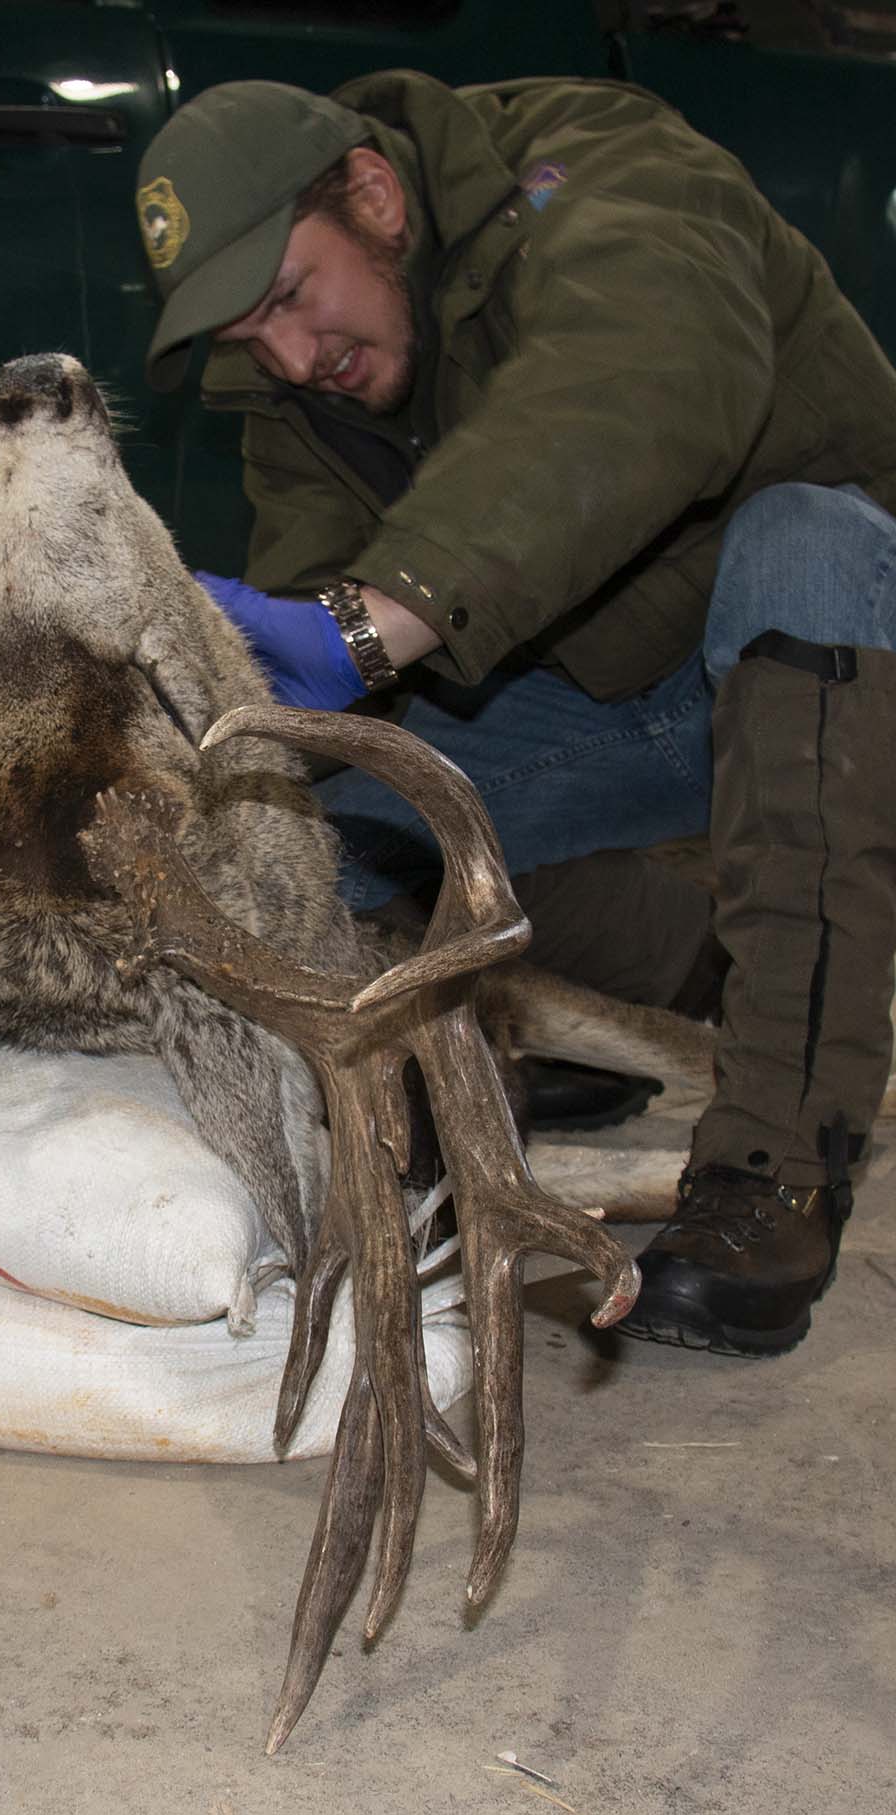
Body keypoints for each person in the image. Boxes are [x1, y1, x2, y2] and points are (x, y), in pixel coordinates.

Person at [134, 73, 896, 1357]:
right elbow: (325, 646)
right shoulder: (299, 392)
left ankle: (778, 1165)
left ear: (374, 197)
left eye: (289, 301)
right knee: (334, 804)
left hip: (835, 661)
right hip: (626, 699)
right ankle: (560, 1032)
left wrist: (378, 620)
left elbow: (645, 371)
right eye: (245, 342)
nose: (286, 357)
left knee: (805, 538)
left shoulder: (601, 168)